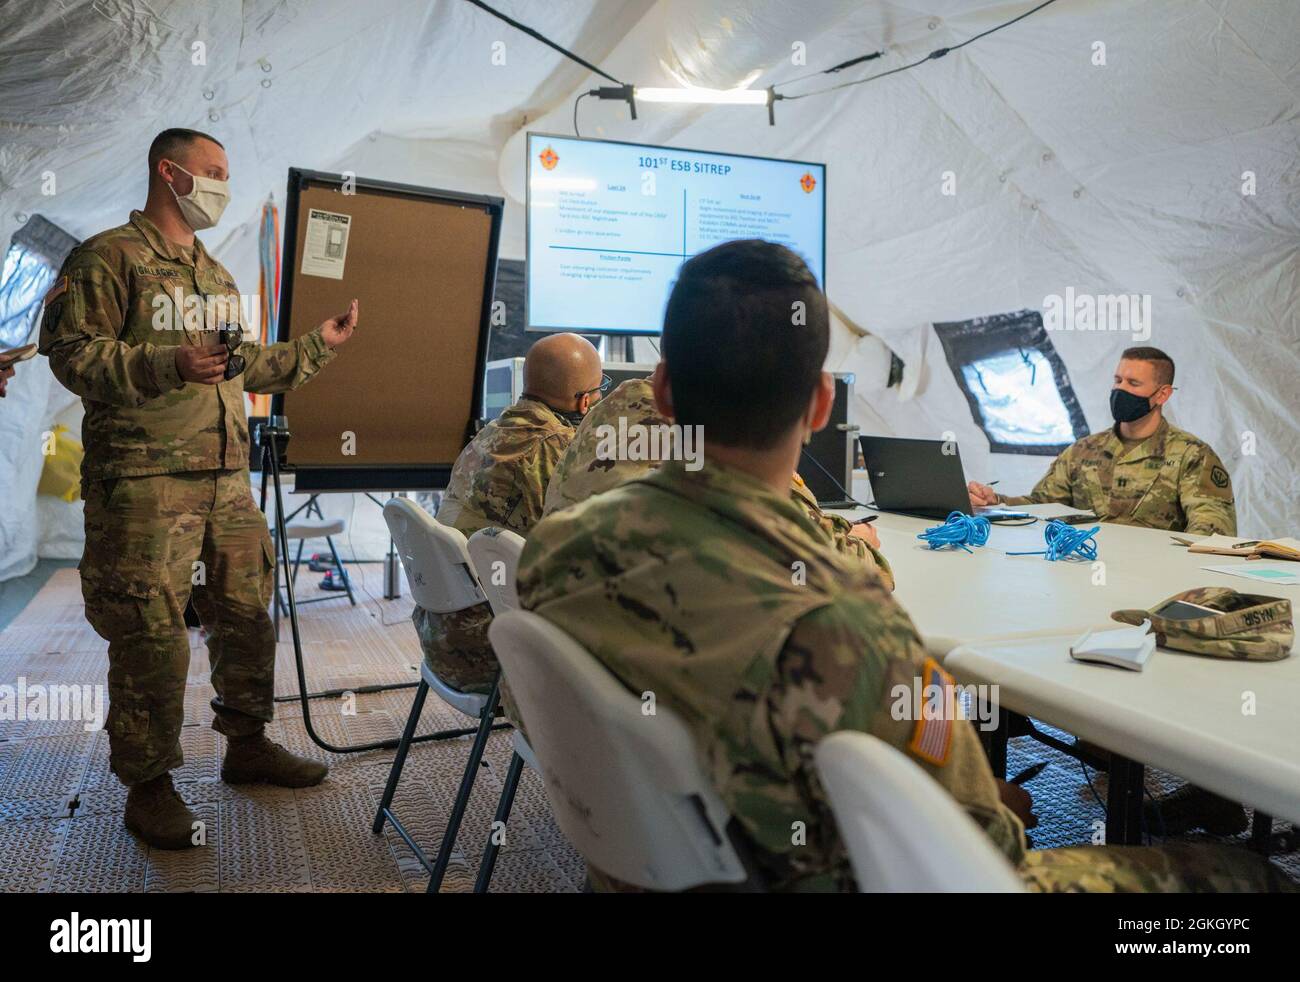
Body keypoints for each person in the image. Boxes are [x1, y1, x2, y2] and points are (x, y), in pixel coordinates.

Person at [517, 239, 1292, 893]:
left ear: (659, 390)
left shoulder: (557, 547)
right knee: (1242, 879)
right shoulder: (848, 624)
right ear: (822, 406)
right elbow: (987, 849)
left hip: (655, 862)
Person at [38, 128, 356, 850]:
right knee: (151, 636)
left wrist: (317, 346)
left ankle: (246, 746)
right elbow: (72, 354)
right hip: (144, 482)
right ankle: (148, 787)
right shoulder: (107, 257)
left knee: (246, 615)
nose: (222, 184)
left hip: (224, 479)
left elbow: (240, 368)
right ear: (169, 171)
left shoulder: (214, 273)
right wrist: (166, 363)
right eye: (213, 172)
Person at [542, 373, 894, 589]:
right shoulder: (732, 444)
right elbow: (847, 569)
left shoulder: (606, 410)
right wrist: (859, 541)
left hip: (558, 678)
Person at [411, 332, 603, 696]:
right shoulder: (563, 452)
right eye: (600, 389)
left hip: (441, 640)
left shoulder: (486, 436)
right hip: (496, 657)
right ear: (585, 402)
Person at [968, 347, 1236, 535]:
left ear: (1162, 394)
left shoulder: (1192, 456)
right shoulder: (1083, 451)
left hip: (1153, 578)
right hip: (1083, 572)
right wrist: (995, 501)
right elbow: (1041, 505)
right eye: (1118, 380)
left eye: (1133, 383)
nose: (1121, 390)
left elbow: (1211, 532)